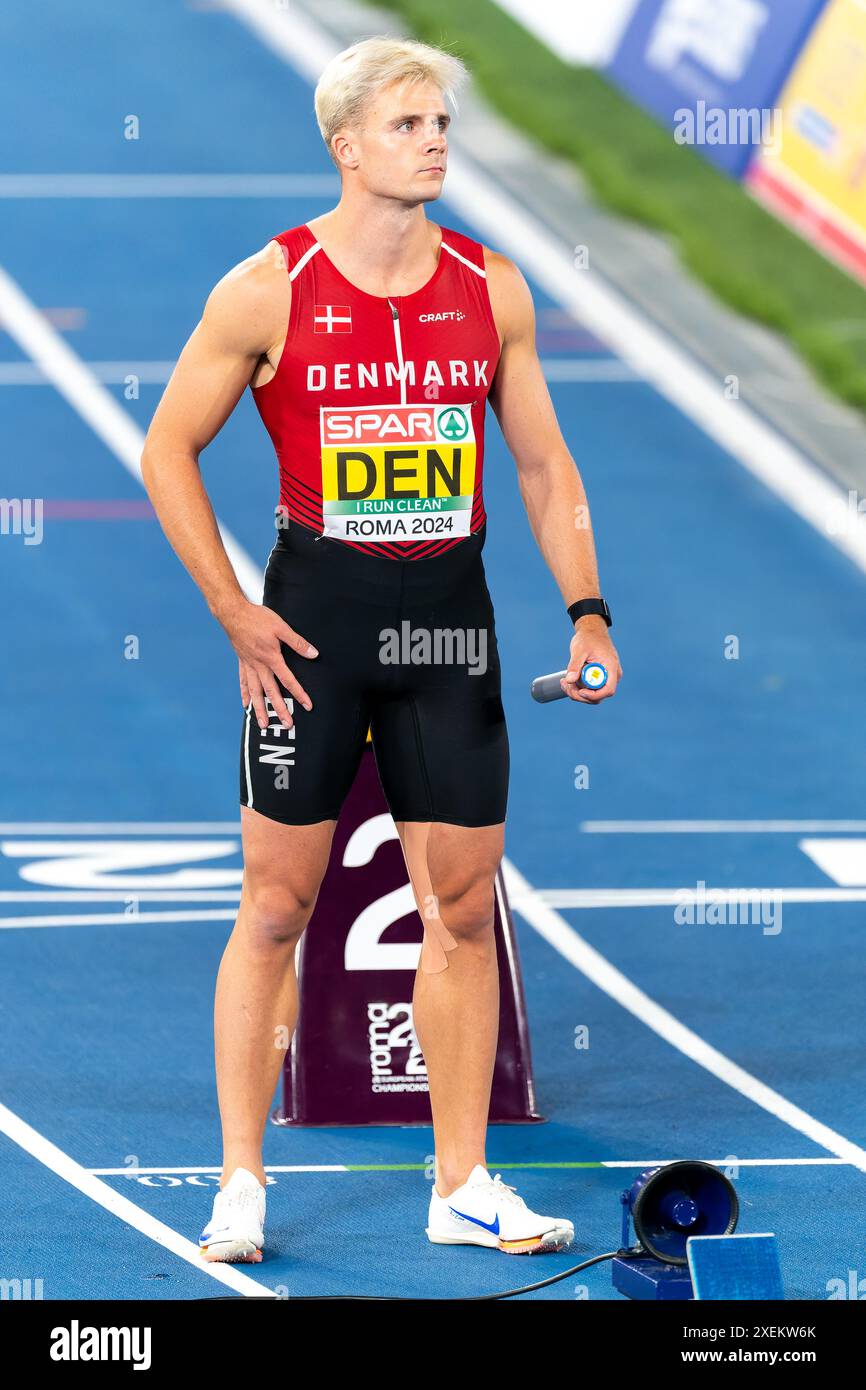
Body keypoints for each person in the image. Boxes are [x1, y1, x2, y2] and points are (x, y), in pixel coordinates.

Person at [141, 35, 621, 1265]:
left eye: (442, 122)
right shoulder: (269, 288)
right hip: (313, 630)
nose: (436, 141)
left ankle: (459, 1181)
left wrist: (586, 609)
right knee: (274, 905)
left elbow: (539, 462)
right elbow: (166, 450)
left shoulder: (492, 286)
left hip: (448, 625)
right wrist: (231, 609)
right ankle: (241, 1182)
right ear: (345, 145)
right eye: (409, 124)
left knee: (460, 908)